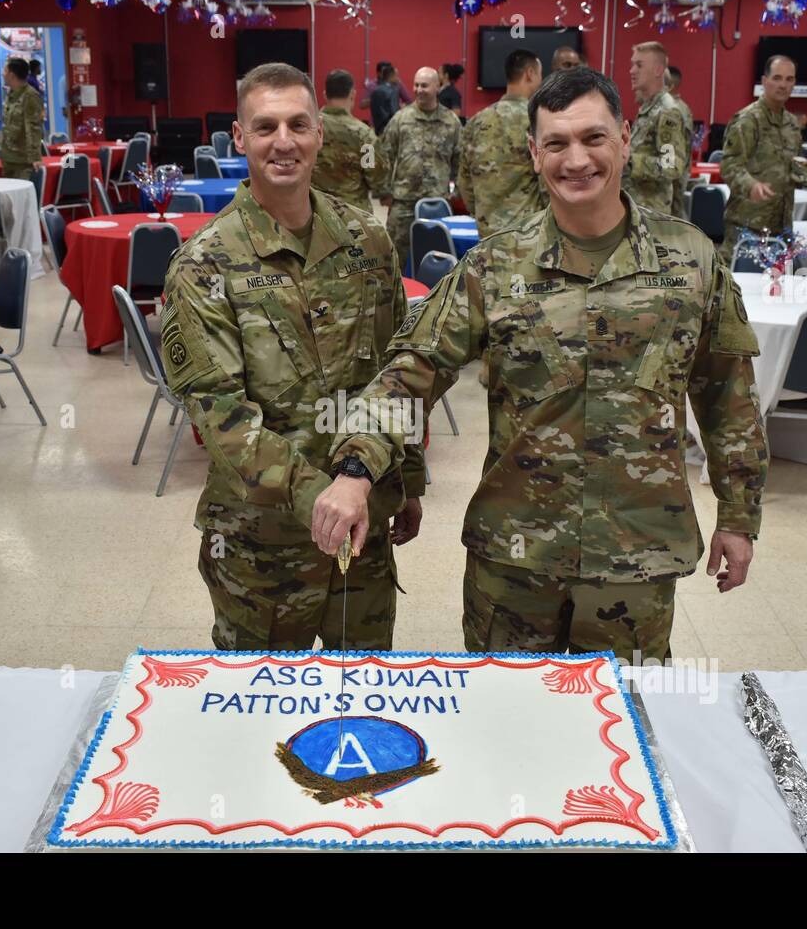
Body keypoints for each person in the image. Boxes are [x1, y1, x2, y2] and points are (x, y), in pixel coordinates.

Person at [311, 66, 768, 661]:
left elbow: (728, 397)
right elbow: (411, 370)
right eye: (556, 143)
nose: (576, 160)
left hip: (636, 560)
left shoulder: (693, 261)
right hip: (515, 561)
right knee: (506, 726)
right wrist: (354, 469)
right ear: (534, 153)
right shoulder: (495, 267)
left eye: (593, 138)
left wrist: (738, 514)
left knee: (624, 727)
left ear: (624, 139)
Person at [160, 63, 425, 651]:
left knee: (365, 697)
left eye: (298, 124)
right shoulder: (204, 266)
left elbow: (396, 375)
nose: (284, 141)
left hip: (364, 528)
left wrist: (405, 481)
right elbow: (222, 420)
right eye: (266, 127)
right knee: (261, 712)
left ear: (320, 133)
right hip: (262, 547)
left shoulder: (367, 239)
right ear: (240, 137)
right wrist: (328, 499)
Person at [719, 55, 807, 261]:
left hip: (781, 225)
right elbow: (730, 165)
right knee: (741, 287)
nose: (783, 85)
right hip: (748, 223)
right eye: (777, 78)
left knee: (776, 288)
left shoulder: (792, 124)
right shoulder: (748, 120)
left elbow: (794, 168)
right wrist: (751, 185)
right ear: (765, 81)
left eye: (789, 79)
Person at [377, 67, 463, 266]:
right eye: (416, 85)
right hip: (403, 200)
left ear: (437, 87)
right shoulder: (401, 119)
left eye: (424, 85)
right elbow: (383, 155)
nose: (418, 90)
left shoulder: (451, 122)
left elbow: (460, 159)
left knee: (437, 257)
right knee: (393, 256)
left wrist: (457, 192)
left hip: (437, 202)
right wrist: (384, 191)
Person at [458, 48, 546, 238]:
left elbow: (464, 181)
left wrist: (483, 215)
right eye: (540, 74)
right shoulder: (537, 121)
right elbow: (548, 181)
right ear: (530, 74)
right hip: (528, 233)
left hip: (487, 234)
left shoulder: (477, 121)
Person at [623, 42, 685, 215]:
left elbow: (672, 166)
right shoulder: (649, 107)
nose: (632, 70)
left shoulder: (667, 111)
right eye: (633, 64)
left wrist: (630, 161)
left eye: (639, 65)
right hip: (636, 208)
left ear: (658, 70)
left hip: (651, 215)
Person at [311, 68, 384, 211]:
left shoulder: (309, 129)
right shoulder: (364, 134)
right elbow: (375, 177)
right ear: (353, 94)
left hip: (316, 211)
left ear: (325, 95)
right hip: (354, 213)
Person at [0, 58, 44, 179]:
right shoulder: (11, 94)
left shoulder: (30, 96)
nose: (3, 74)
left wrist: (35, 158)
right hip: (9, 158)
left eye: (5, 71)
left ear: (12, 75)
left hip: (23, 162)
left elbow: (33, 128)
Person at [664, 65, 694, 218]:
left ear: (670, 86)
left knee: (674, 218)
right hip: (680, 171)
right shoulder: (683, 108)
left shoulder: (673, 110)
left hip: (674, 175)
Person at [369, 63, 402, 135]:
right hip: (390, 132)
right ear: (391, 76)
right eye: (397, 76)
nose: (398, 79)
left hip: (377, 130)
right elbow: (395, 114)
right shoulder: (393, 91)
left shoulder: (375, 91)